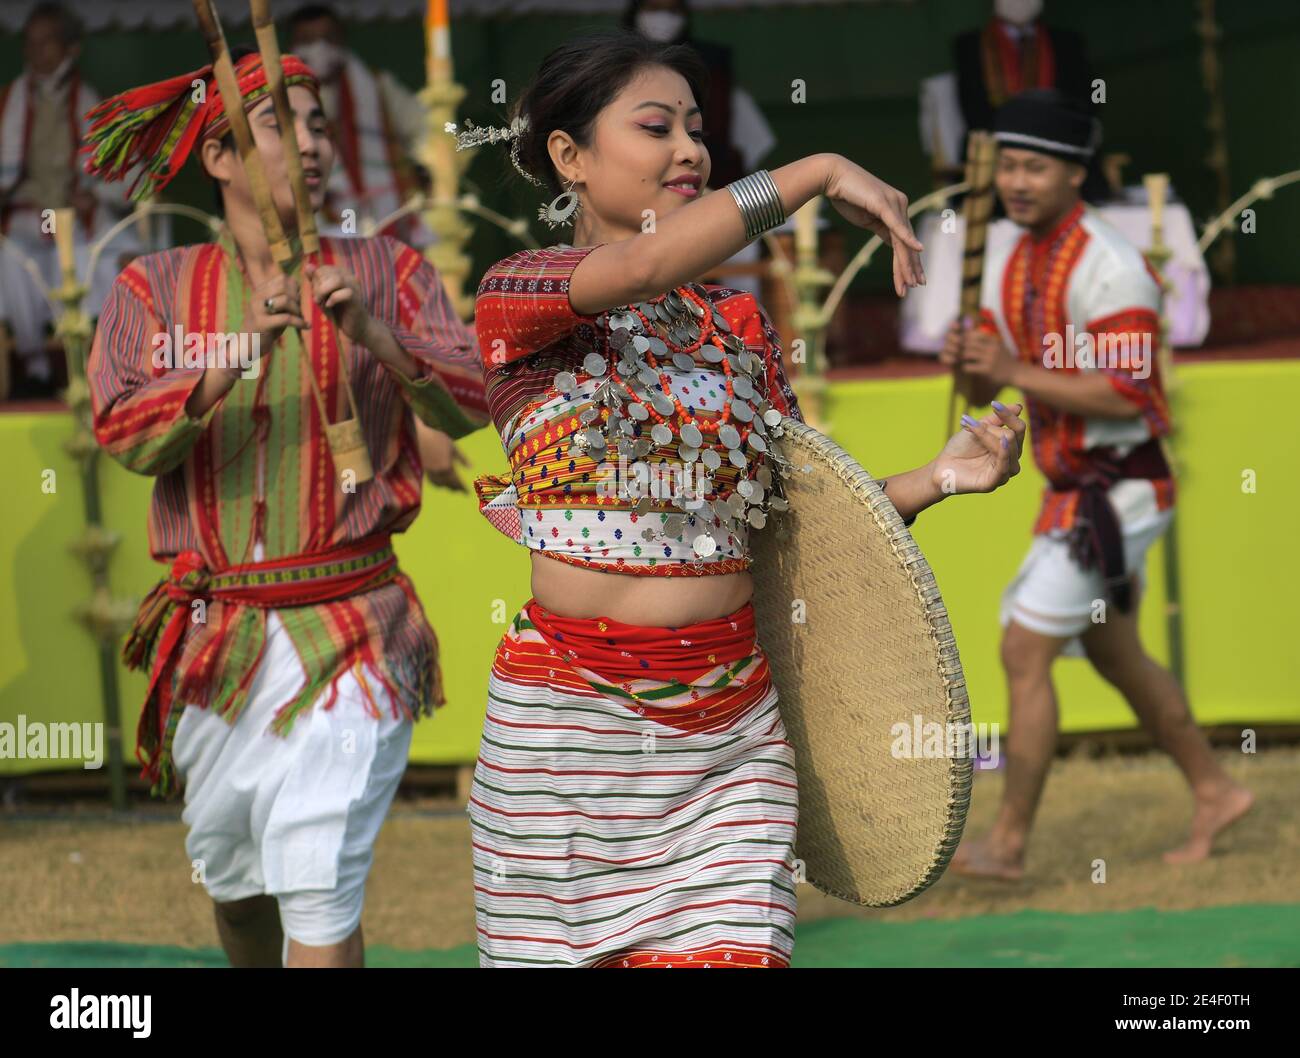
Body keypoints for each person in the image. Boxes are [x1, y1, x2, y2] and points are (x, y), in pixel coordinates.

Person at [463, 28, 1027, 968]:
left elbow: (798, 519)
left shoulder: (737, 327)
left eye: (696, 126)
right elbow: (642, 269)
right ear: (570, 155)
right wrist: (812, 172)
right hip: (567, 748)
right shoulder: (521, 294)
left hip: (731, 742)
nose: (690, 149)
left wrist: (937, 479)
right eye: (656, 128)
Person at [84, 49, 489, 967]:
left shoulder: (389, 269)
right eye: (279, 124)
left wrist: (377, 338)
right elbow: (121, 429)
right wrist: (229, 356)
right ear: (218, 156)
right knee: (234, 884)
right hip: (219, 640)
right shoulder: (151, 287)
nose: (310, 143)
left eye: (315, 124)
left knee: (316, 878)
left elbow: (473, 403)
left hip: (356, 628)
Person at [941, 90, 1253, 881]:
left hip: (1116, 495)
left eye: (1034, 167)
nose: (1016, 180)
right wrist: (980, 372)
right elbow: (1018, 385)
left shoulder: (1113, 266)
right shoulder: (1020, 257)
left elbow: (1127, 395)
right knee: (1116, 654)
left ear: (1075, 173)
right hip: (1078, 492)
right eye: (1007, 164)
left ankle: (1008, 845)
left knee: (1023, 649)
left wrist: (1008, 368)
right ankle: (1216, 790)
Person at [0, 2, 141, 397]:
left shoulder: (92, 103)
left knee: (108, 261)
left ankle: (100, 363)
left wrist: (92, 192)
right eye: (30, 43)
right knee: (10, 261)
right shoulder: (8, 102)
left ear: (71, 48)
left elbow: (127, 177)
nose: (36, 52)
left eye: (47, 42)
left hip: (75, 219)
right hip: (29, 218)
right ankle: (37, 367)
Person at [287, 3, 430, 247]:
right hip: (319, 218)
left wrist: (423, 167)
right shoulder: (283, 96)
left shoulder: (376, 86)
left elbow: (428, 128)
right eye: (308, 39)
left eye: (327, 38)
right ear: (292, 47)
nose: (319, 47)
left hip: (387, 215)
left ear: (342, 41)